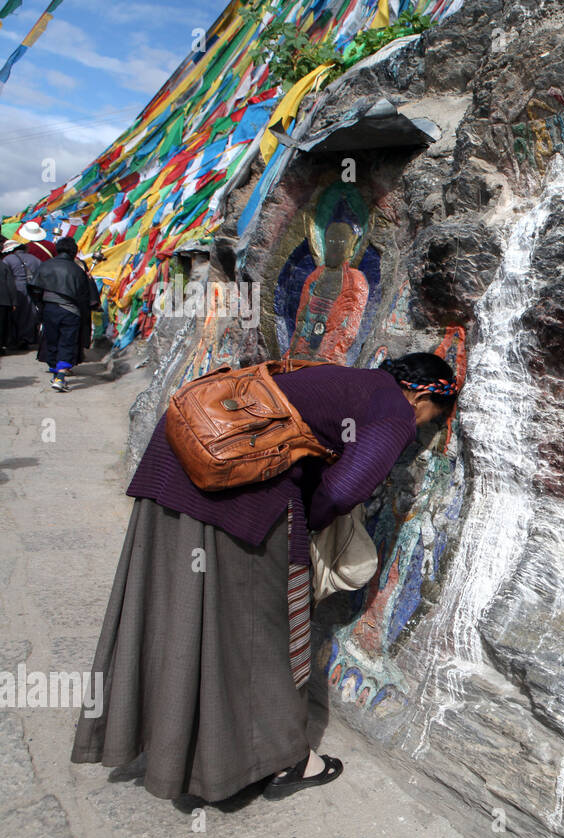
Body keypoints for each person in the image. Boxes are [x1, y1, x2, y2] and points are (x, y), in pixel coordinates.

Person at [70, 352, 460, 802]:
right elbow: (345, 488)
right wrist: (309, 522)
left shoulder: (334, 374)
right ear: (423, 396)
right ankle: (284, 760)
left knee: (174, 609)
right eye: (429, 418)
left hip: (178, 461)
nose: (417, 429)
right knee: (263, 627)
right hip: (236, 492)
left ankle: (169, 741)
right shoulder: (394, 409)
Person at [29, 236, 97, 391]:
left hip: (50, 310)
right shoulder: (78, 271)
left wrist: (41, 305)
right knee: (67, 341)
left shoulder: (45, 266)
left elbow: (34, 288)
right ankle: (60, 377)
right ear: (74, 252)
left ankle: (55, 373)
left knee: (52, 340)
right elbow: (85, 296)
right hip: (71, 311)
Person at [2, 237, 41, 350]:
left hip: (15, 289)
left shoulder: (8, 259)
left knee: (15, 315)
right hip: (32, 289)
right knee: (29, 314)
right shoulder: (34, 259)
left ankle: (14, 339)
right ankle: (27, 338)